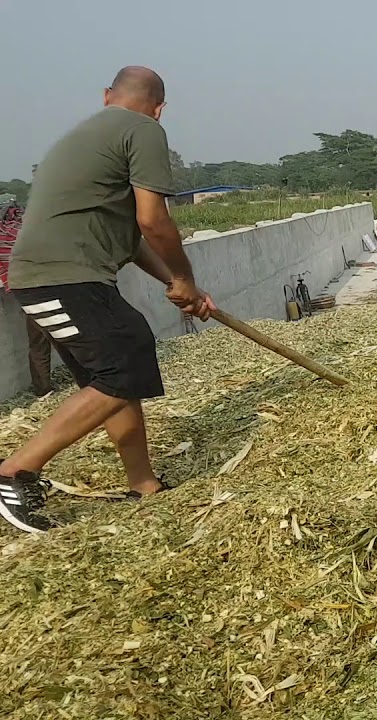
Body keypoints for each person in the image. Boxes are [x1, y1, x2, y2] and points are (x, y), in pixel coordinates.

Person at [0, 66, 216, 534]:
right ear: (160, 108)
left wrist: (179, 285)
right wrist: (184, 275)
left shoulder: (88, 135)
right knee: (125, 361)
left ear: (106, 96)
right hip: (62, 276)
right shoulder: (143, 130)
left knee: (115, 375)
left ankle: (143, 484)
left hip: (57, 276)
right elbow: (153, 220)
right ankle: (15, 472)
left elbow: (131, 238)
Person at [1, 205, 53, 396]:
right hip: (57, 285)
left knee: (38, 344)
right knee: (72, 338)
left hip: (29, 294)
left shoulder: (4, 236)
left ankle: (43, 389)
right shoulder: (35, 230)